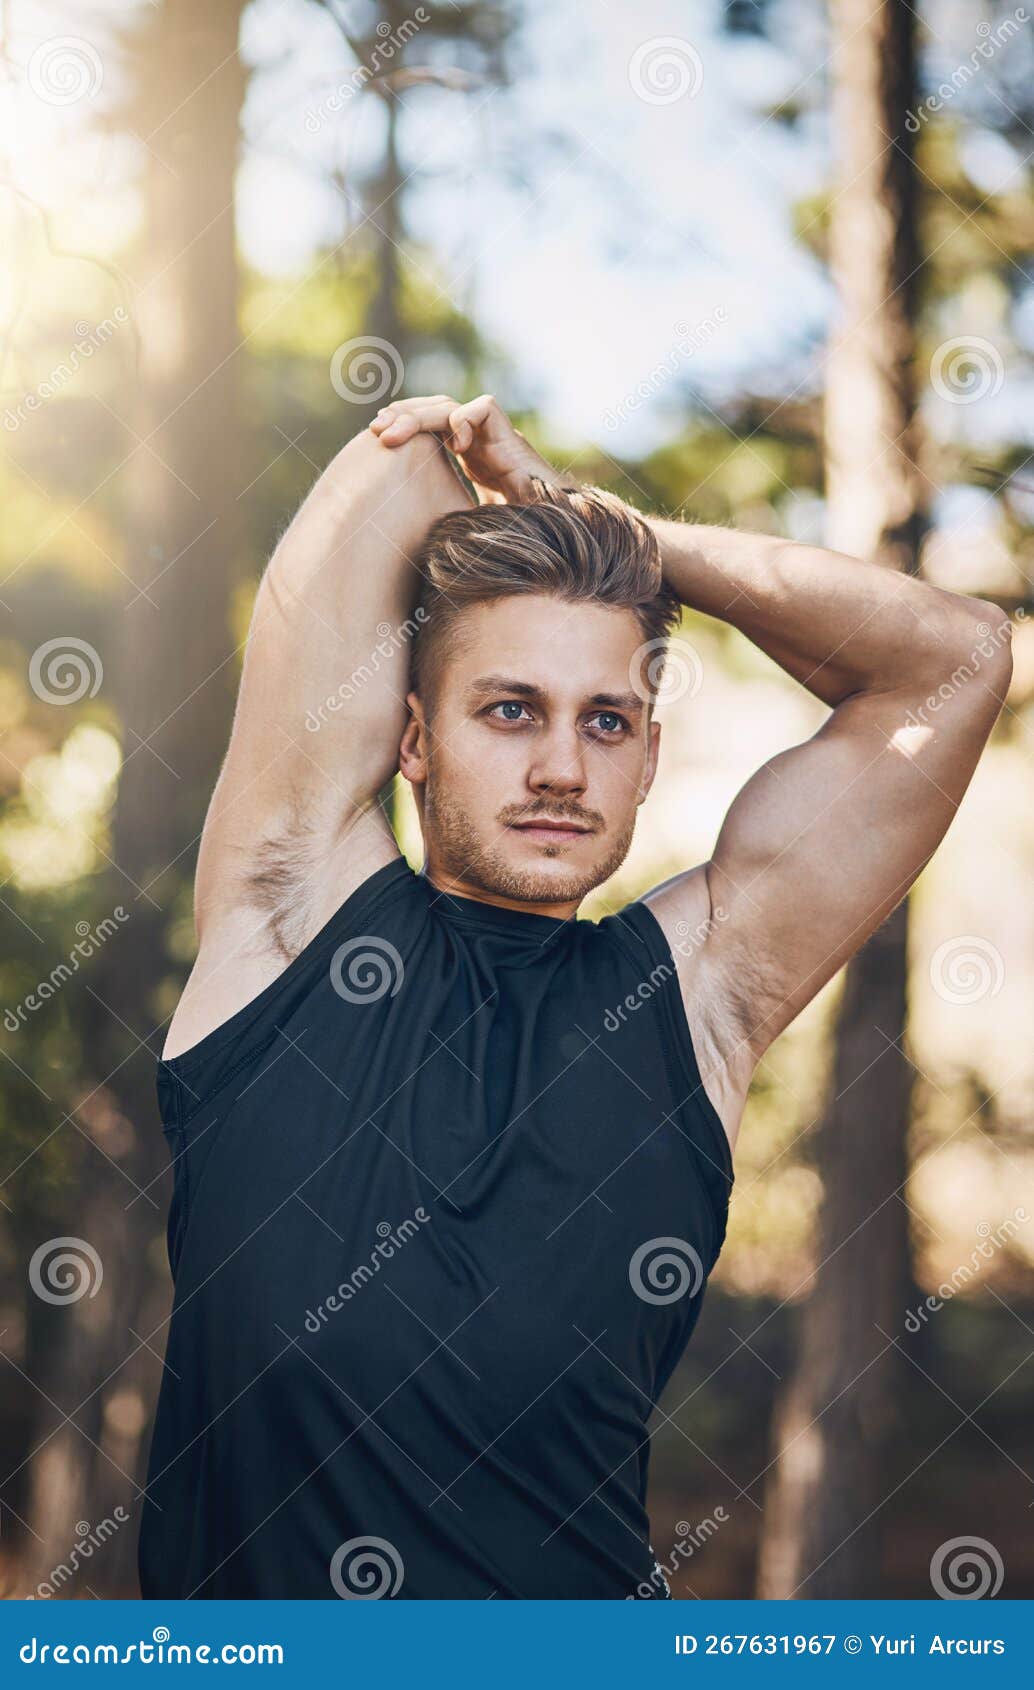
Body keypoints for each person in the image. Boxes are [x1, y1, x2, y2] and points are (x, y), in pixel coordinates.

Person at [137, 394, 1010, 1600]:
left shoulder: (697, 993)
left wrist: (623, 534)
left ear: (647, 758)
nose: (560, 767)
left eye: (606, 721)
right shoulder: (286, 922)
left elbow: (955, 656)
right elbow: (404, 460)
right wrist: (529, 505)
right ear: (411, 738)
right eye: (509, 709)